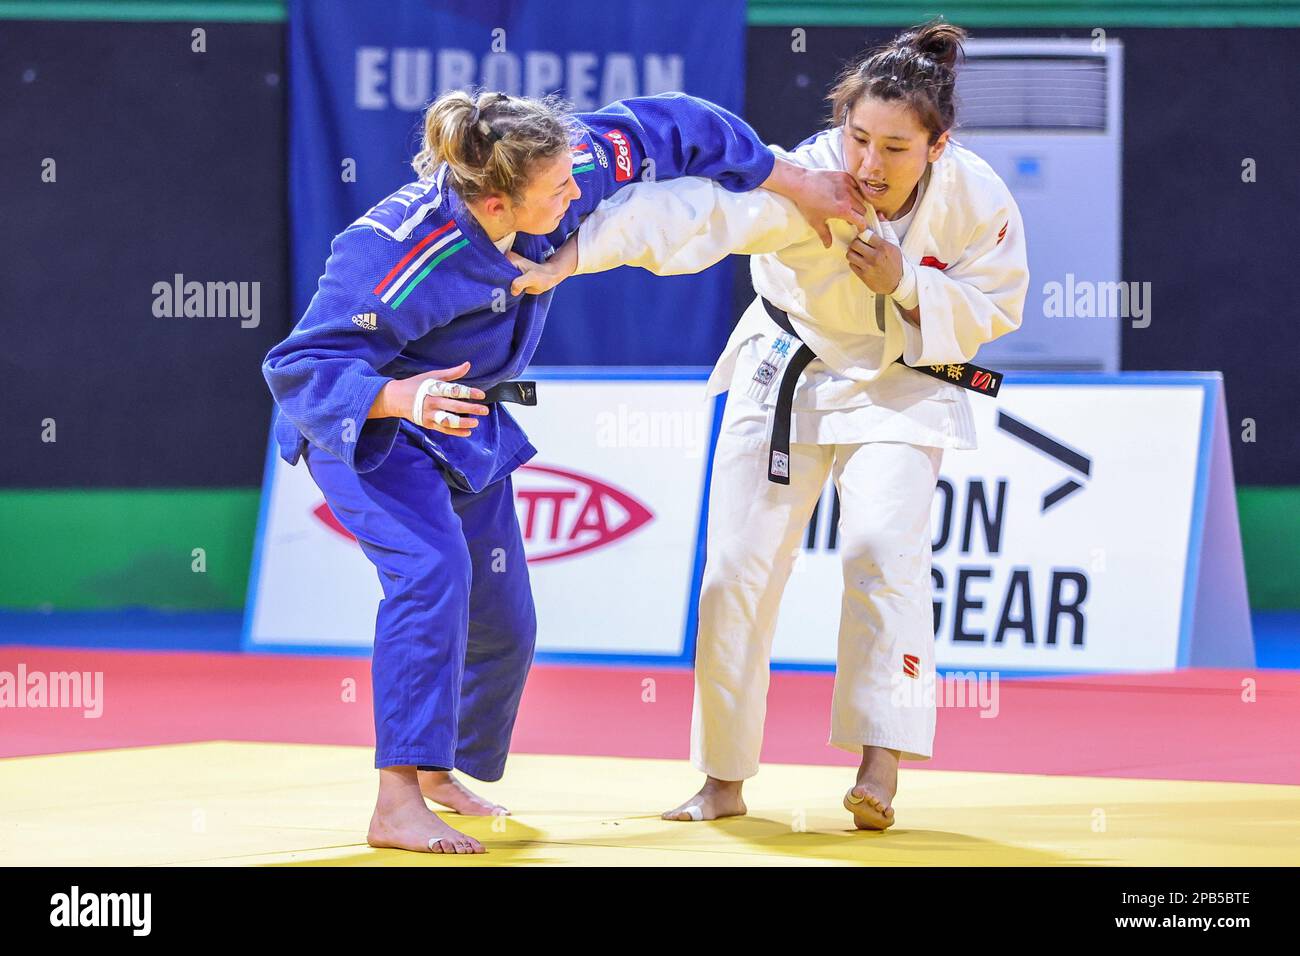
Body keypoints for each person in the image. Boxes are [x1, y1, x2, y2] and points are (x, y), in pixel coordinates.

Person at [262, 88, 866, 854]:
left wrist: (791, 179)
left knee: (506, 618)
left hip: (462, 415)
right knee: (431, 570)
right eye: (559, 193)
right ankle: (397, 798)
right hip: (370, 423)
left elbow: (677, 126)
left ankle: (444, 769)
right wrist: (398, 396)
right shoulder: (393, 251)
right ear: (497, 203)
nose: (579, 194)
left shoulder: (563, 161)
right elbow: (300, 365)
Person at [512, 21, 1028, 831]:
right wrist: (569, 258)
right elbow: (694, 215)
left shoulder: (978, 198)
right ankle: (722, 777)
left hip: (905, 374)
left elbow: (999, 306)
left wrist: (908, 287)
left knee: (880, 552)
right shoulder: (812, 180)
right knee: (734, 574)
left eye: (895, 148)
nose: (868, 164)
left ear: (937, 146)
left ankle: (879, 758)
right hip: (784, 366)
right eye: (858, 138)